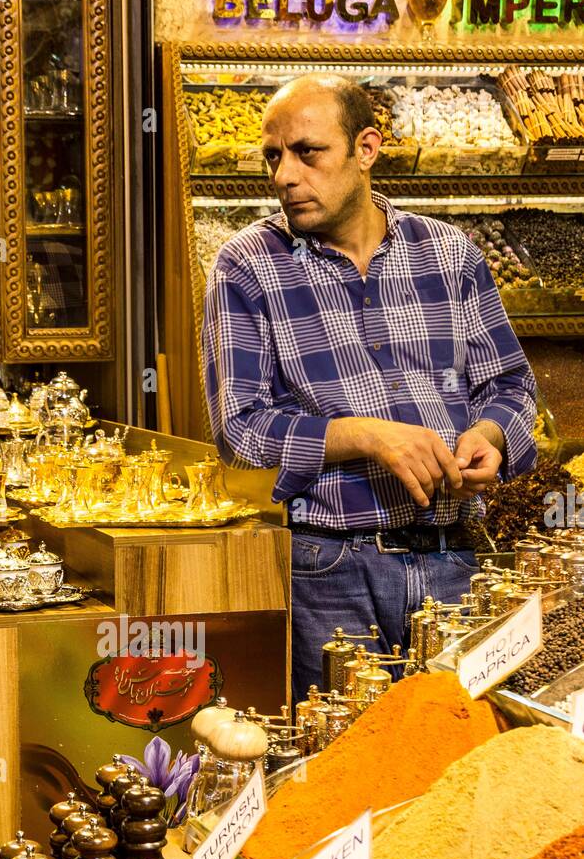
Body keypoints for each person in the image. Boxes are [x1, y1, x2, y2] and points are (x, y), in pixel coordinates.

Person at [202, 74, 537, 699]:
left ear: (366, 149)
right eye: (273, 157)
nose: (284, 175)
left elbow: (512, 387)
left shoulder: (448, 252)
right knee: (343, 764)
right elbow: (240, 430)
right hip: (329, 568)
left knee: (459, 765)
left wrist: (491, 435)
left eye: (308, 152)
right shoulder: (247, 265)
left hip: (457, 560)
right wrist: (365, 436)